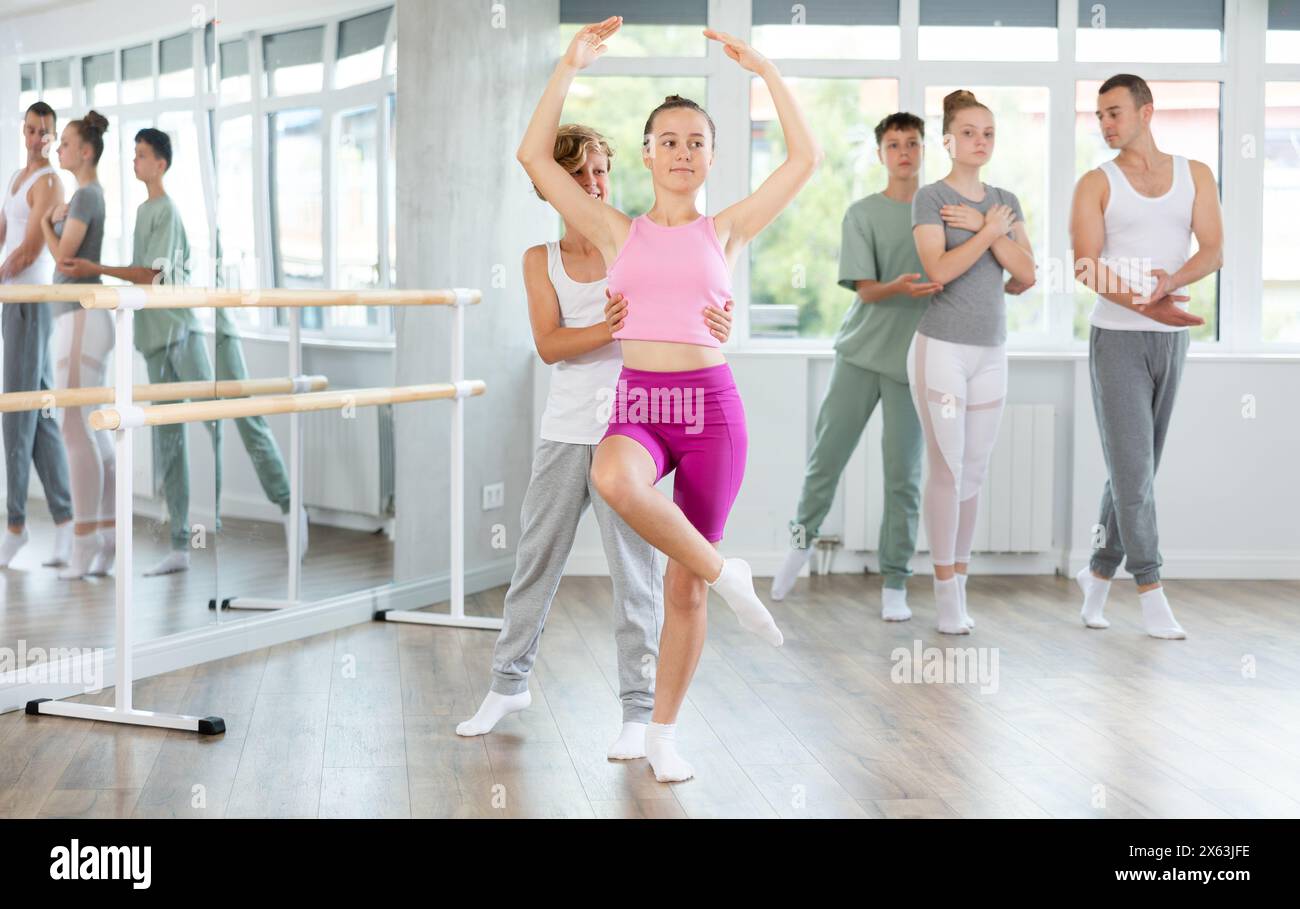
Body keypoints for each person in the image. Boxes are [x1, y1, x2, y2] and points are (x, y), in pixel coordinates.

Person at [517, 17, 822, 782]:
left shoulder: (730, 229)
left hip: (712, 410)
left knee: (682, 586)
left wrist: (766, 72)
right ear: (647, 154)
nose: (683, 152)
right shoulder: (616, 230)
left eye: (697, 141)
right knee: (612, 477)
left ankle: (662, 732)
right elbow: (532, 156)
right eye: (669, 140)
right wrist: (569, 63)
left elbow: (805, 157)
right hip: (643, 404)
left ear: (713, 156)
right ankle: (732, 573)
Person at [457, 124, 734, 761]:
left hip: (631, 433)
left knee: (634, 580)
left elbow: (698, 303)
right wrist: (610, 328)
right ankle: (507, 684)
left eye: (600, 173)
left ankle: (638, 712)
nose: (592, 185)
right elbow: (550, 346)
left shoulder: (634, 241)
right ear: (549, 187)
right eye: (578, 176)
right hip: (564, 432)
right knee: (535, 561)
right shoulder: (539, 260)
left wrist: (721, 316)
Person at [61, 128, 304, 576]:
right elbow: (140, 276)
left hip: (183, 334)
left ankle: (289, 504)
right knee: (167, 440)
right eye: (133, 154)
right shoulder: (141, 211)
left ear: (161, 164)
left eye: (143, 155)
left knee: (229, 420)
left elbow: (151, 276)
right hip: (154, 340)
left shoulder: (168, 211)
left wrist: (96, 269)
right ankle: (179, 546)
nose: (135, 161)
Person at [771, 112, 941, 620]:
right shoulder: (862, 213)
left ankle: (895, 582)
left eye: (913, 143)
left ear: (925, 149)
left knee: (904, 478)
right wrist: (901, 286)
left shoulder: (941, 212)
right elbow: (866, 289)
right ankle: (798, 549)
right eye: (894, 145)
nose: (904, 152)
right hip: (860, 355)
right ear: (881, 154)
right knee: (826, 461)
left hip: (913, 365)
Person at [1069, 74, 1221, 639]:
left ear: (1146, 112)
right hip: (1118, 339)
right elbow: (1085, 265)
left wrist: (1170, 285)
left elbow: (1213, 249)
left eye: (1114, 112)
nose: (1105, 123)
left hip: (1171, 337)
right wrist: (1146, 306)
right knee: (1134, 474)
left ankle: (1098, 575)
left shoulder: (1194, 175)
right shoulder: (1095, 183)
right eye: (1100, 115)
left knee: (1135, 470)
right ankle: (1152, 590)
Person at [908, 89, 1036, 634]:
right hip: (943, 348)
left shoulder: (1005, 199)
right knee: (947, 468)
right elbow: (937, 270)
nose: (979, 141)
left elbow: (1027, 276)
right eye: (968, 132)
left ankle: (959, 581)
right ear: (947, 140)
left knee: (975, 471)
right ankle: (943, 595)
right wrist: (990, 232)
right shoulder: (930, 198)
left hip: (992, 350)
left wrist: (990, 230)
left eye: (987, 133)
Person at [39, 110, 115, 578]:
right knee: (92, 430)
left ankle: (84, 542)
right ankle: (103, 539)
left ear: (85, 152)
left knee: (73, 427)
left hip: (80, 317)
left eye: (65, 143)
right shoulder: (88, 195)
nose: (59, 149)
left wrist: (47, 224)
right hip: (82, 319)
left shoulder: (86, 194)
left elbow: (65, 260)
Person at [0, 101, 74, 569]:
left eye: (44, 133)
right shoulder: (15, 178)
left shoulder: (51, 181)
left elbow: (28, 251)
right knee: (42, 412)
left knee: (17, 414)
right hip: (13, 302)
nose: (35, 139)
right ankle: (67, 524)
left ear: (51, 137)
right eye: (30, 130)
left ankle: (15, 526)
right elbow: (5, 232)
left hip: (29, 303)